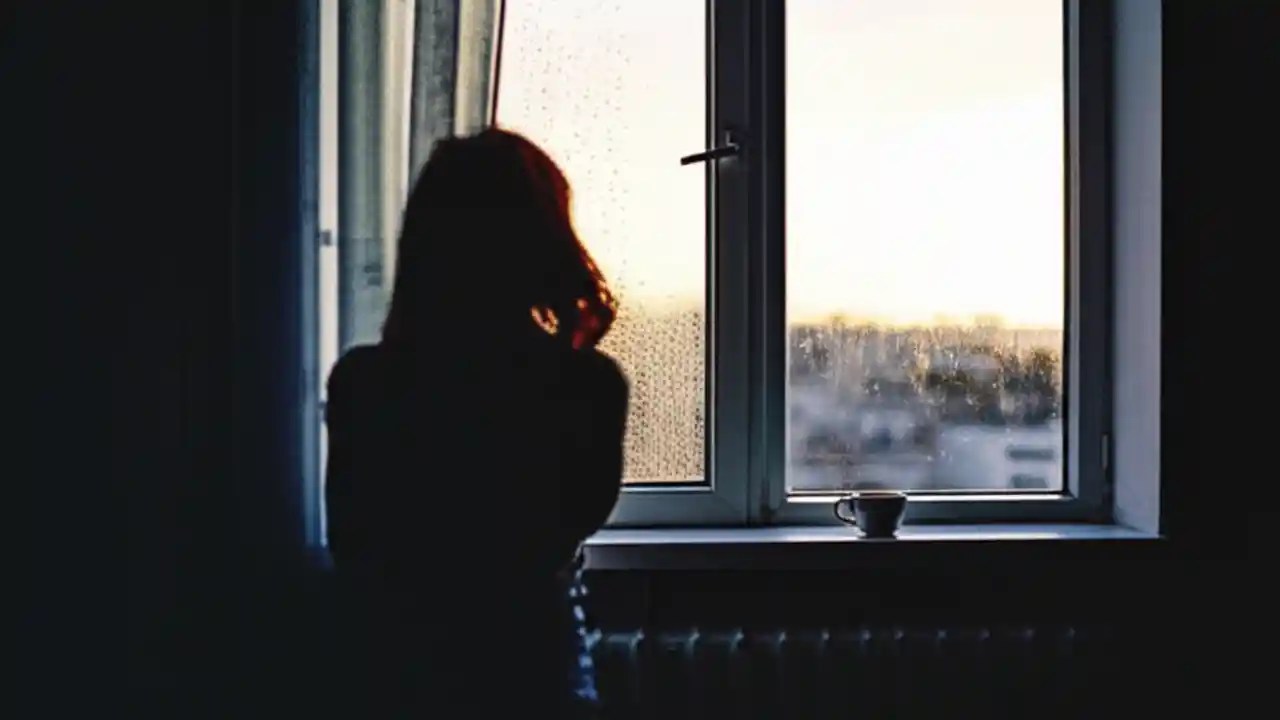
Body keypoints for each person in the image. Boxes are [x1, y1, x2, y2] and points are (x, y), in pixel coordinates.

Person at [324, 129, 628, 717]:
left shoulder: (365, 384)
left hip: (395, 681)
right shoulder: (585, 387)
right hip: (532, 678)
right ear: (542, 242)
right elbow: (558, 535)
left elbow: (355, 548)